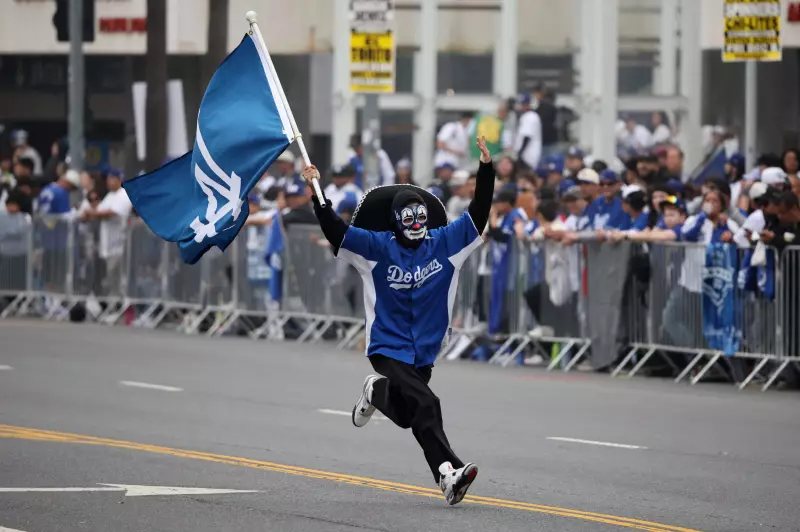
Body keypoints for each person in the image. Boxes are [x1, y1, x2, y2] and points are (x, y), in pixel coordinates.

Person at [302, 135, 494, 505]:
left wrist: (485, 171)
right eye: (409, 217)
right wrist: (316, 191)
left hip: (424, 349)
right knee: (428, 405)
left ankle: (376, 391)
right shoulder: (376, 247)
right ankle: (448, 474)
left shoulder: (446, 242)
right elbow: (335, 231)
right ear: (396, 222)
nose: (417, 222)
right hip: (387, 346)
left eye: (421, 216)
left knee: (408, 414)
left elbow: (478, 212)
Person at [513, 93, 543, 171]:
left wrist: (519, 154)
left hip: (527, 156)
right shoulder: (529, 116)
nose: (521, 106)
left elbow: (527, 137)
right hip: (527, 156)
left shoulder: (530, 116)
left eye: (523, 104)